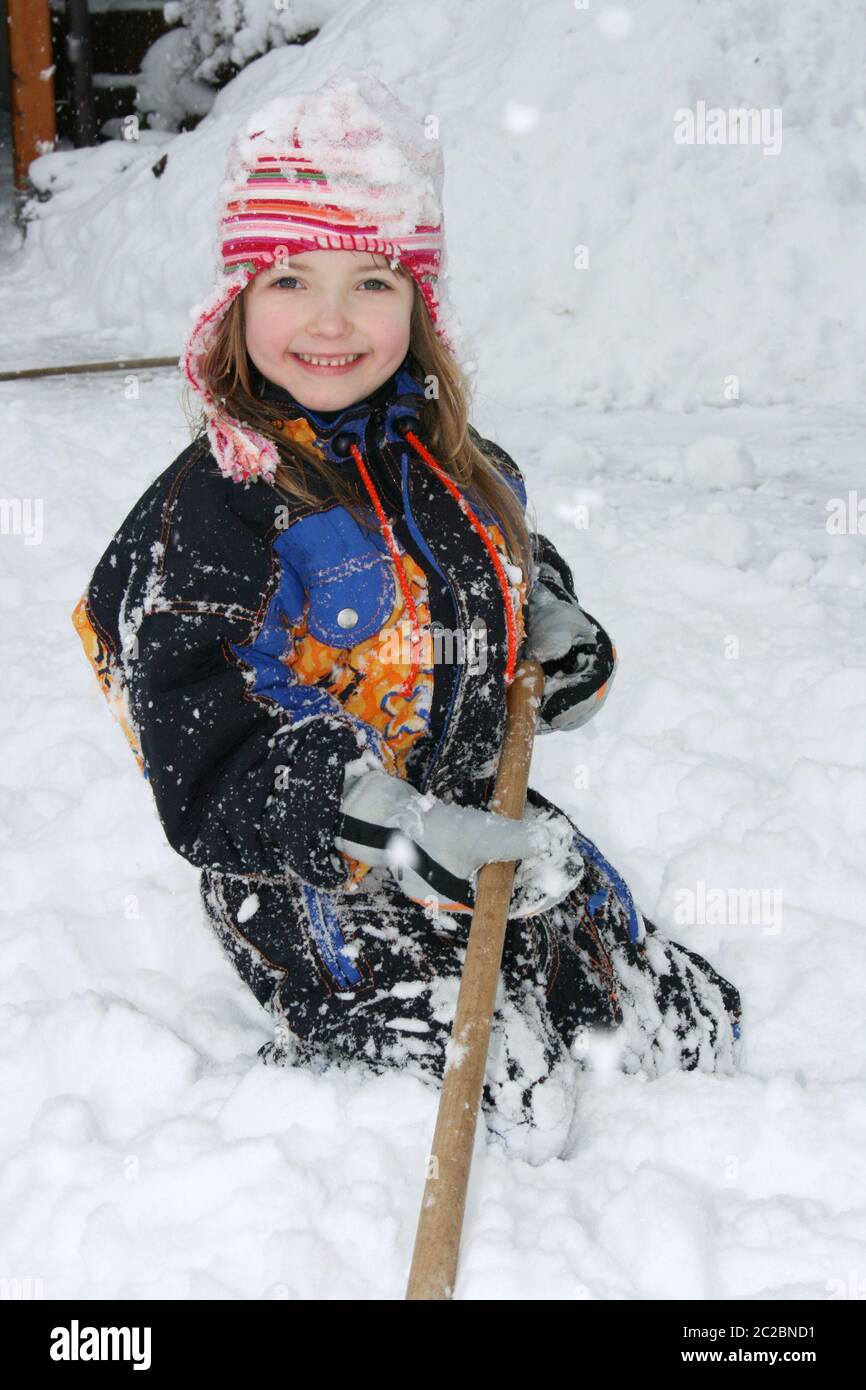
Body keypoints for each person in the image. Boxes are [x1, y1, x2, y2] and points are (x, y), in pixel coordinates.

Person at [71, 69, 741, 1160]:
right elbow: (202, 740)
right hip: (309, 868)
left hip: (472, 806)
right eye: (289, 277)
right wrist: (377, 820)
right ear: (233, 299)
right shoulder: (218, 507)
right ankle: (329, 1097)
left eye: (372, 280)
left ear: (419, 302)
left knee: (663, 1020)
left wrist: (554, 625)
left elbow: (502, 568)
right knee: (496, 1087)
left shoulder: (458, 465)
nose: (330, 322)